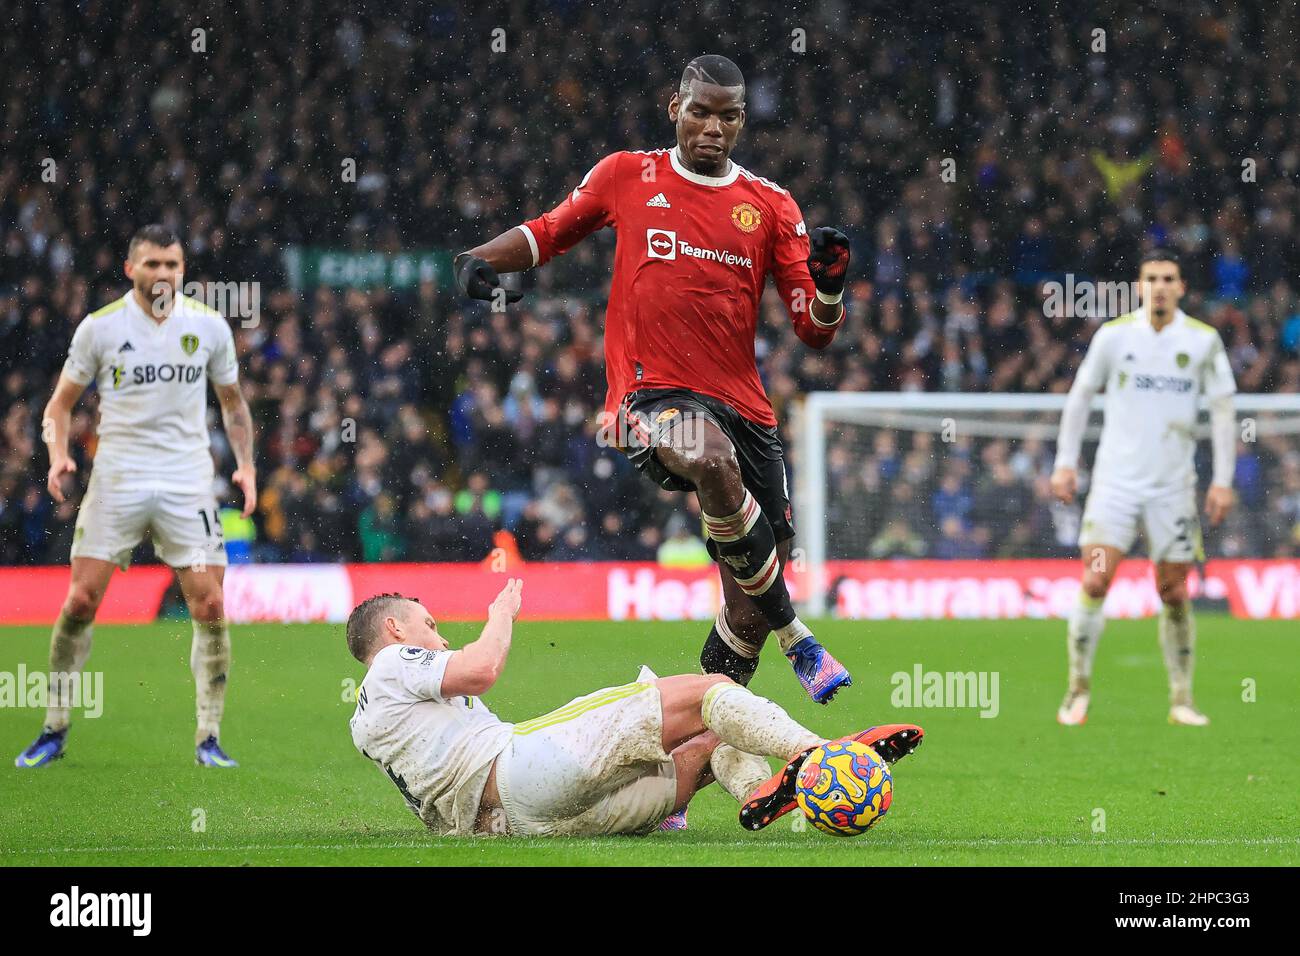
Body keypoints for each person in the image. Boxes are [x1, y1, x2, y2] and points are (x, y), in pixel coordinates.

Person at [453, 54, 855, 715]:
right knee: (707, 458)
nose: (712, 128)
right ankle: (800, 639)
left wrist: (834, 286)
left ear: (742, 121)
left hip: (747, 410)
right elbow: (550, 233)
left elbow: (815, 329)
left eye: (727, 116)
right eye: (699, 111)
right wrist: (479, 258)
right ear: (675, 108)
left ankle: (684, 758)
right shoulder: (627, 176)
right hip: (651, 395)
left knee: (745, 613)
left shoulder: (772, 205)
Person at [346, 582, 923, 837]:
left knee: (702, 745)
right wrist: (502, 612)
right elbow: (482, 669)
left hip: (518, 826)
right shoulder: (394, 663)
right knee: (706, 689)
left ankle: (757, 792)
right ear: (395, 630)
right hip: (520, 769)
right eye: (430, 626)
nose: (439, 639)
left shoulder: (365, 722)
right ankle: (824, 756)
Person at [15, 225, 256, 769]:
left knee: (212, 603)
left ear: (183, 270)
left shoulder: (209, 326)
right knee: (80, 600)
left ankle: (209, 738)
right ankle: (53, 727)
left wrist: (246, 468)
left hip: (187, 478)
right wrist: (56, 454)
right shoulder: (100, 329)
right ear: (131, 270)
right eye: (152, 265)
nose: (163, 274)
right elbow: (58, 406)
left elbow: (234, 405)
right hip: (118, 475)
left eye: (172, 265)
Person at [1050, 250, 1236, 727]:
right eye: (1150, 277)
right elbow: (1080, 397)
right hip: (1114, 486)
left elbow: (1221, 410)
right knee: (1095, 579)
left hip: (1174, 490)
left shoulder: (1202, 341)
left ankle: (1181, 699)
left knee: (1173, 591)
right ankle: (1077, 690)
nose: (1159, 285)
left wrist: (1222, 480)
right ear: (1139, 285)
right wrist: (1066, 464)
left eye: (1168, 278)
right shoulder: (1114, 337)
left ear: (1181, 287)